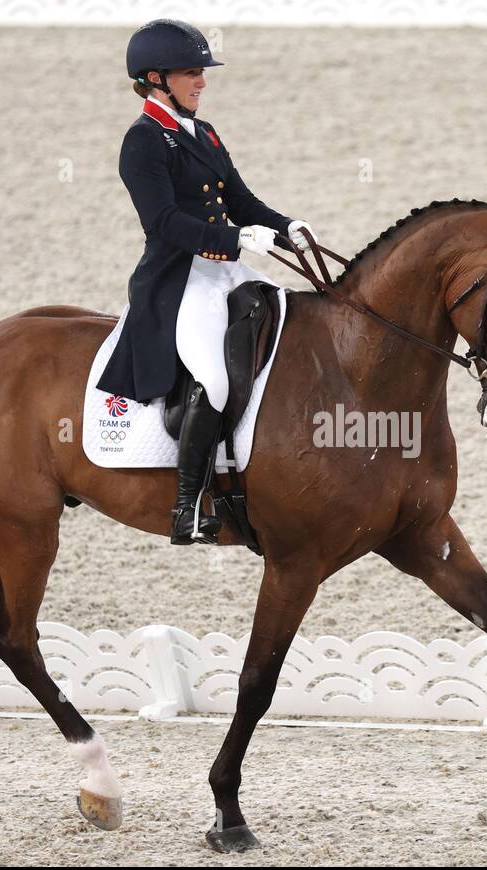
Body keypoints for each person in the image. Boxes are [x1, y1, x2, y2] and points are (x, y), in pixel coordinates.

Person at [96, 19, 316, 544]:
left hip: (227, 270)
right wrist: (237, 239)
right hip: (180, 282)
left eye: (201, 72)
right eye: (192, 73)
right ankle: (187, 507)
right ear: (156, 79)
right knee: (214, 380)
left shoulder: (204, 131)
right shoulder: (143, 142)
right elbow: (165, 224)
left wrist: (287, 227)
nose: (202, 82)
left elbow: (239, 199)